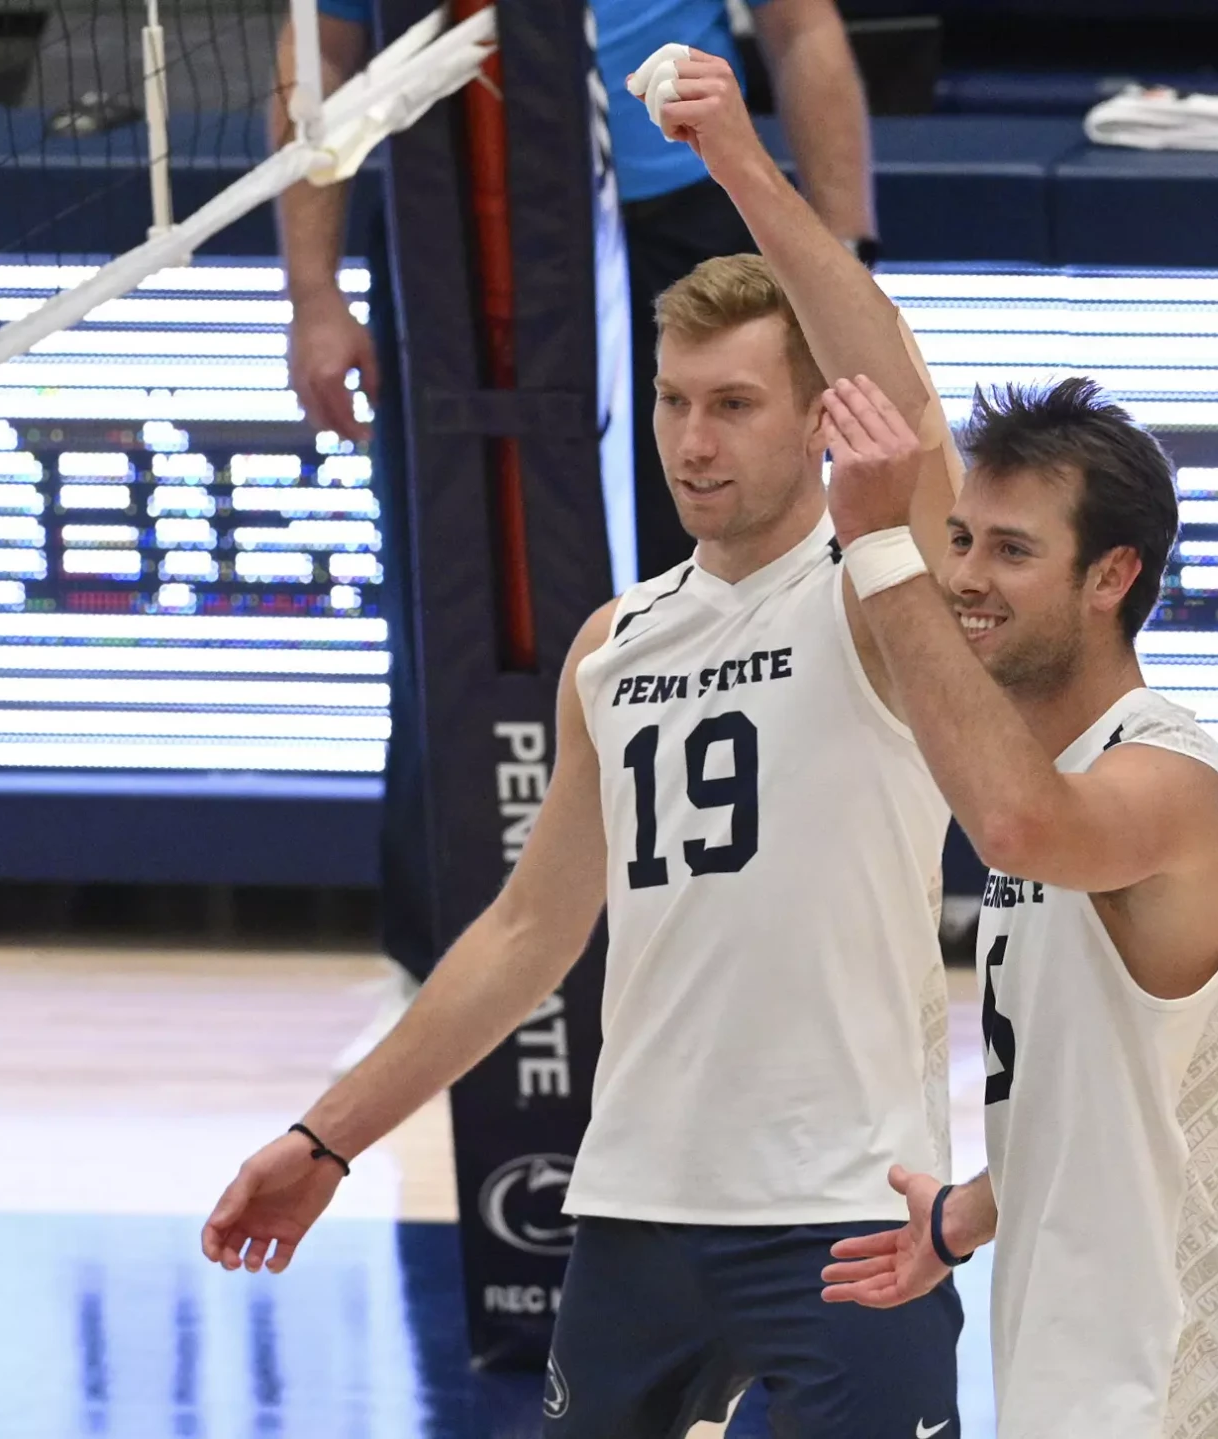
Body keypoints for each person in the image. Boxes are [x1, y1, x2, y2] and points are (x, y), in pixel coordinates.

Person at [208, 49, 965, 1439]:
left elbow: (905, 393)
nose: (691, 437)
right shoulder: (615, 643)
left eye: (731, 404)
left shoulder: (878, 586)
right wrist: (329, 1136)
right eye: (674, 400)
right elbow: (522, 935)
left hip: (849, 1210)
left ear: (813, 416)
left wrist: (740, 158)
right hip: (635, 1208)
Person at [270, 0, 876, 1057]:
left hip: (675, 217)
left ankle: (727, 948)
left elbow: (804, 32)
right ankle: (453, 965)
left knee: (719, 599)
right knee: (454, 606)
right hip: (455, 229)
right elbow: (320, 52)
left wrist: (843, 265)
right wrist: (314, 294)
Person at [814, 376, 1218, 1436]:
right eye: (957, 540)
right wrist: (970, 1211)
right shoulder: (1059, 780)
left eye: (1010, 549)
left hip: (1182, 1388)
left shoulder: (1168, 777)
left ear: (1113, 574)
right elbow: (1101, 1087)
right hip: (1071, 1376)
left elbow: (1017, 824)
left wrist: (877, 549)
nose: (965, 576)